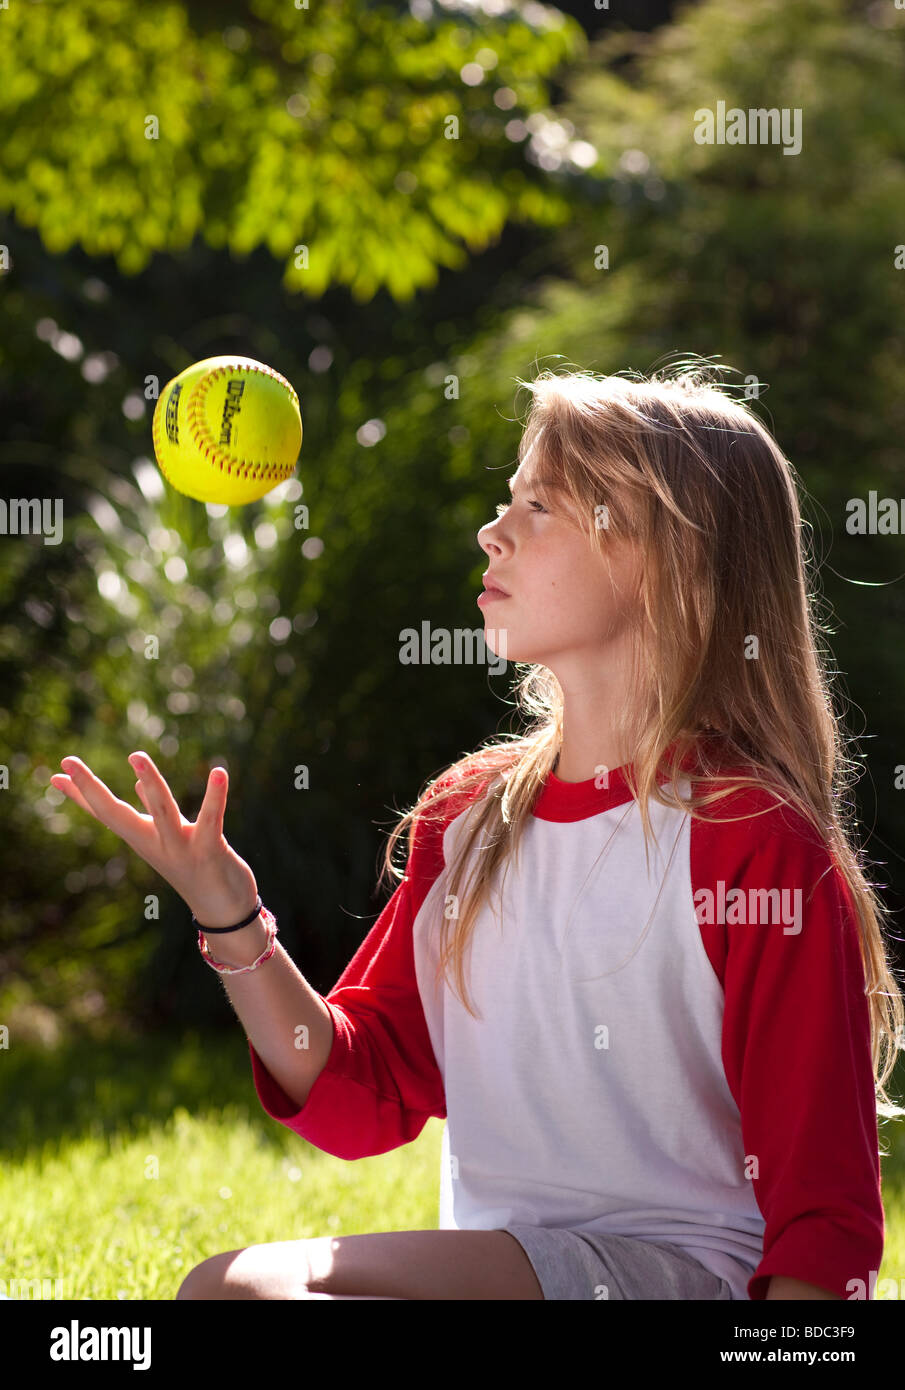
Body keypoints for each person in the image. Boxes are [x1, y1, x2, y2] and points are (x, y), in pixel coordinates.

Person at [52, 364, 904, 1302]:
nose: (491, 532)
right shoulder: (469, 818)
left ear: (667, 560)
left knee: (237, 1293)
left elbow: (824, 1215)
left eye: (540, 507)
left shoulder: (750, 839)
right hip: (527, 1270)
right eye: (510, 500)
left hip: (685, 1279)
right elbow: (359, 1091)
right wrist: (228, 913)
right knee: (223, 1289)